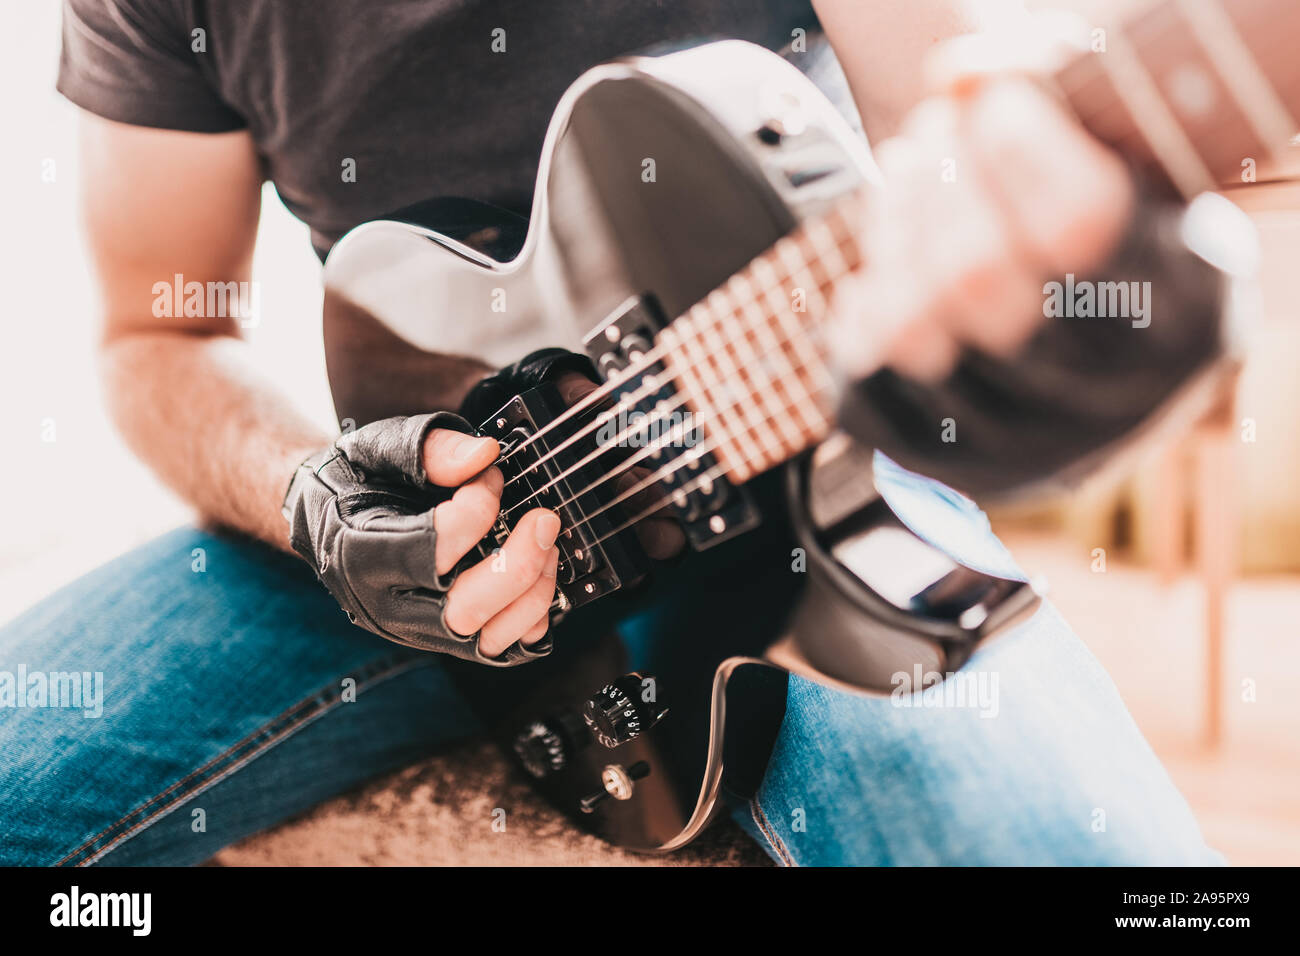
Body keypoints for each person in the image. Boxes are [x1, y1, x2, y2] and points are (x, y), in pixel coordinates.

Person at [0, 0, 1220, 866]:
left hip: (804, 465)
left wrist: (1087, 306)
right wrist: (308, 499)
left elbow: (944, 124)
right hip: (386, 511)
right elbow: (154, 331)